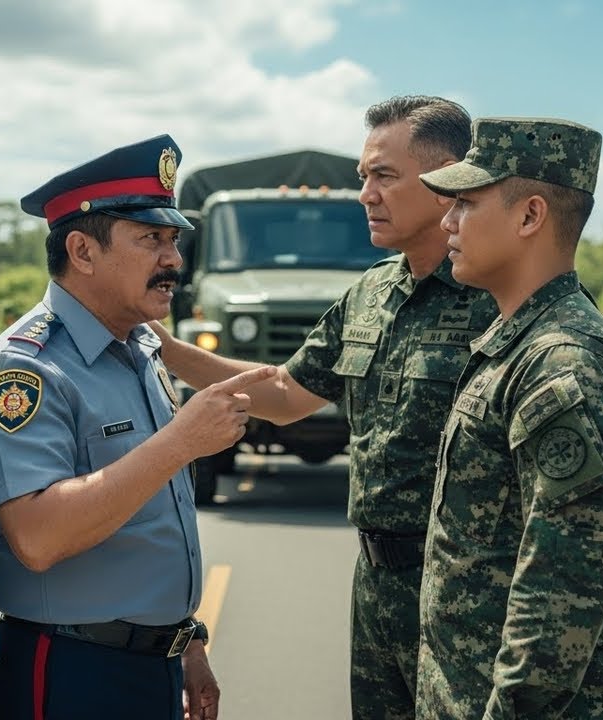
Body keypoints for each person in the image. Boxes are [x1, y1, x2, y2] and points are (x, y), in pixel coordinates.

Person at [151, 96, 498, 719]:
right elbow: (285, 395)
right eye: (364, 175)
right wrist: (165, 349)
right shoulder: (370, 294)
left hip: (473, 589)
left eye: (384, 176)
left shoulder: (499, 295)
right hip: (378, 584)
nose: (366, 194)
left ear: (447, 179)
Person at [0, 134, 268, 720]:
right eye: (151, 239)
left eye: (174, 240)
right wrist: (180, 442)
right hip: (73, 671)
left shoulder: (139, 348)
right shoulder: (28, 369)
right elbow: (38, 537)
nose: (173, 260)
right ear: (82, 251)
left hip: (151, 665)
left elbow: (146, 530)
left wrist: (184, 639)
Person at [415, 118, 603, 718]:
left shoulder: (563, 361)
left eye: (466, 203)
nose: (448, 221)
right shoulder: (522, 341)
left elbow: (560, 592)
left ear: (529, 216)